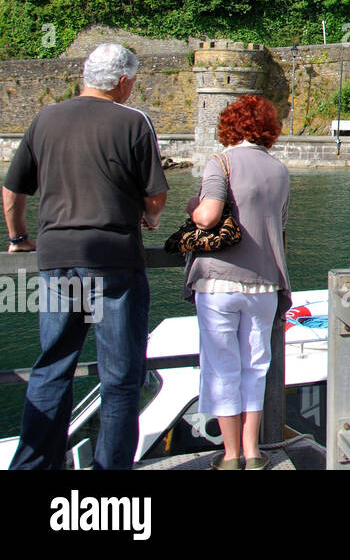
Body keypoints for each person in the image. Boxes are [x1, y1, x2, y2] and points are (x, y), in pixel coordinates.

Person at [2, 43, 169, 470]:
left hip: (56, 258)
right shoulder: (134, 121)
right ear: (125, 80)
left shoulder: (45, 118)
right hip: (113, 259)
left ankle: (33, 467)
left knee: (52, 367)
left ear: (86, 74)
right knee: (120, 377)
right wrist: (149, 219)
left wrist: (19, 236)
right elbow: (156, 195)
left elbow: (12, 191)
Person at [186, 94, 291, 470]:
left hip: (219, 282)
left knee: (222, 367)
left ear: (230, 125)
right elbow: (278, 225)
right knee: (256, 366)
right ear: (267, 129)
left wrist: (193, 209)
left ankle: (230, 457)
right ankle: (253, 452)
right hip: (264, 283)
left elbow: (209, 216)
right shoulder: (279, 170)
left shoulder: (222, 161)